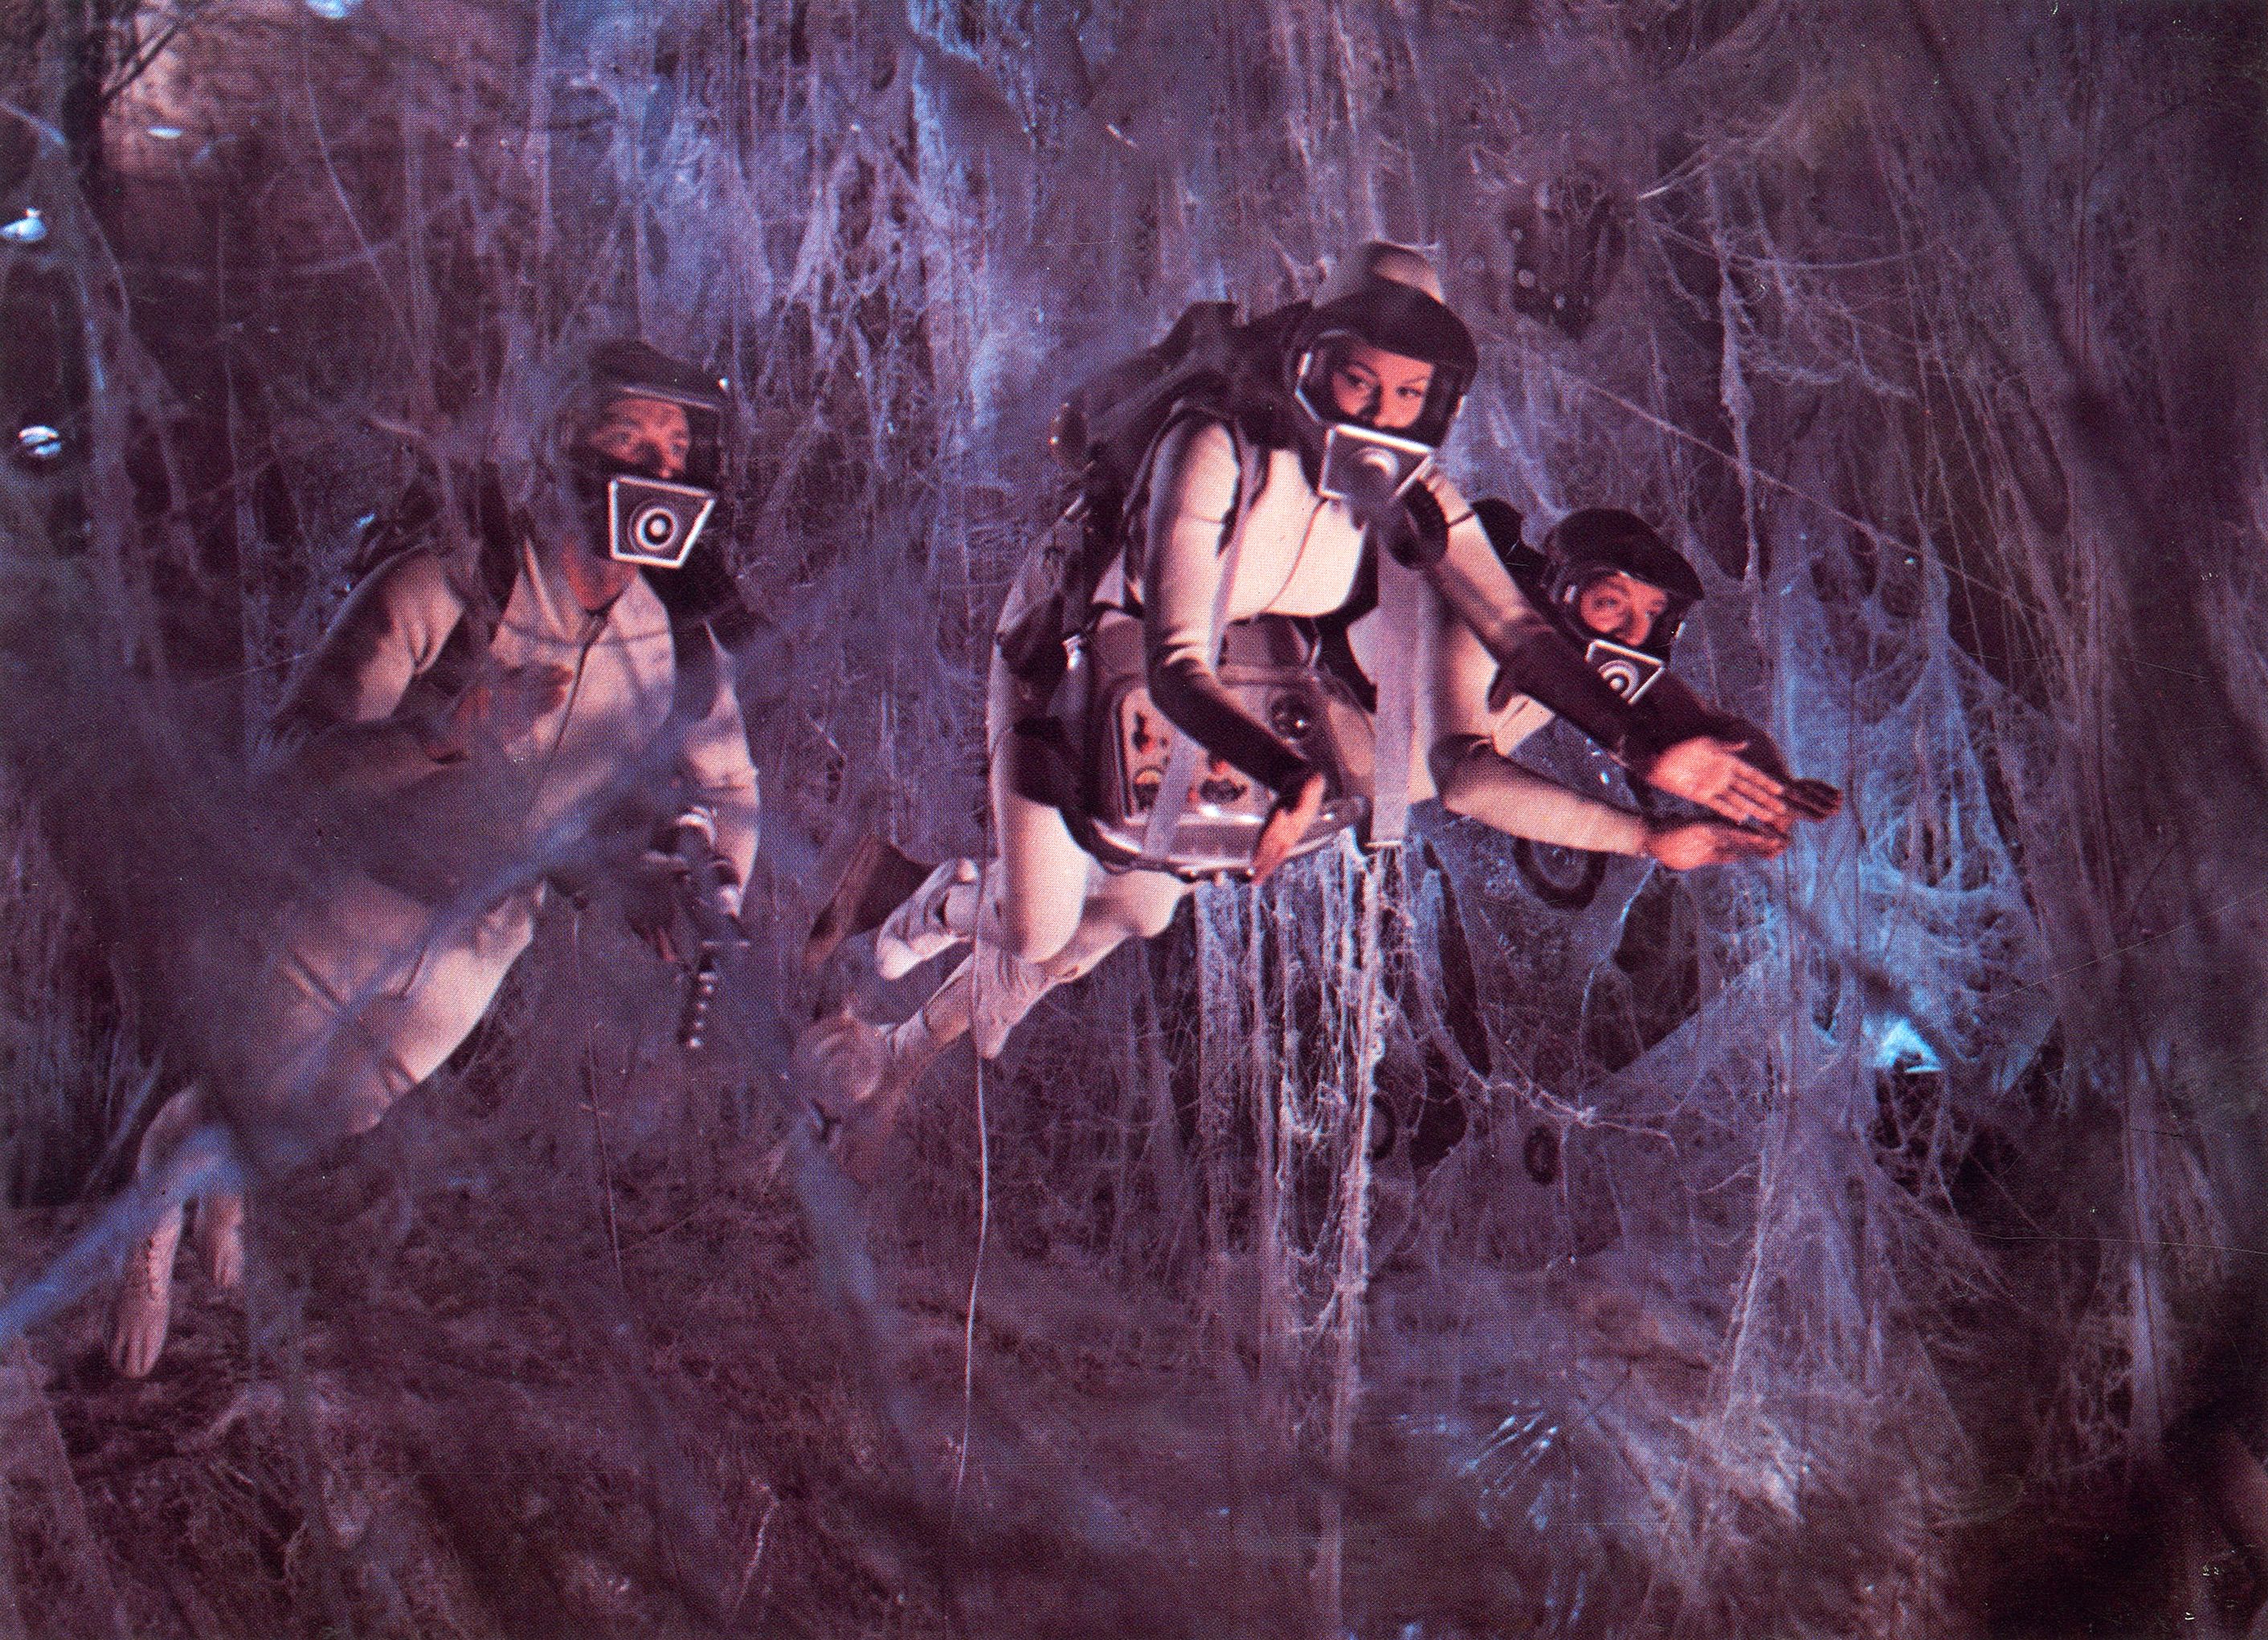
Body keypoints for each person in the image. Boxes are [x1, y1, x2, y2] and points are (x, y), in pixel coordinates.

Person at [802, 244, 1831, 1172]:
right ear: (1312, 361)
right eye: (1359, 383)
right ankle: (904, 899)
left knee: (1107, 926)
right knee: (1035, 926)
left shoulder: (1423, 499)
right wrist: (1293, 776)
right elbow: (1181, 660)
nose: (1381, 416)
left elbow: (1544, 645)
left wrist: (1662, 744)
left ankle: (890, 1059)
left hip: (1233, 731)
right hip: (1078, 657)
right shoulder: (1213, 447)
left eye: (1410, 395)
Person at [105, 339, 762, 1376]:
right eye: (632, 439)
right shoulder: (452, 584)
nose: (659, 471)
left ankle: (224, 1186)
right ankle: (157, 1213)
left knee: (333, 1117)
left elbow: (728, 791)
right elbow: (288, 757)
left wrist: (701, 885)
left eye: (678, 450)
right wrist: (437, 734)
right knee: (248, 1090)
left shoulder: (675, 646)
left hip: (484, 932)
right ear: (568, 446)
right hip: (350, 895)